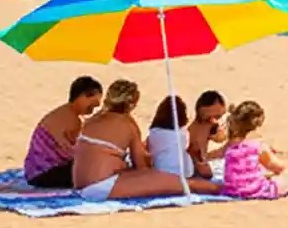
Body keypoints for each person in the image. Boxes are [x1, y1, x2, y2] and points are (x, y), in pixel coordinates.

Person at [72, 79, 219, 201]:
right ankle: (221, 188)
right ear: (132, 104)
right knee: (174, 182)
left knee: (152, 178)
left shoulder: (91, 121)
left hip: (80, 182)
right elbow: (141, 165)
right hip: (102, 185)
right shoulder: (128, 124)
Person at [221, 100, 288, 199]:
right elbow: (278, 167)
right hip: (257, 190)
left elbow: (214, 155)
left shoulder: (230, 145)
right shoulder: (258, 146)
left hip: (233, 190)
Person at [23, 76, 103, 188]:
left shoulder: (64, 112)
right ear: (83, 96)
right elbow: (74, 153)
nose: (92, 110)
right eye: (92, 105)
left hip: (34, 172)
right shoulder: (71, 119)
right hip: (44, 174)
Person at [146, 95, 210, 178]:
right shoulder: (183, 132)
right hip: (184, 173)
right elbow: (190, 148)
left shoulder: (153, 132)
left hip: (160, 171)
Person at [187, 90, 228, 179]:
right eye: (214, 117)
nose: (215, 120)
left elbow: (221, 138)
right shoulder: (192, 133)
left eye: (219, 116)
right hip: (196, 171)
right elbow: (199, 164)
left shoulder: (210, 125)